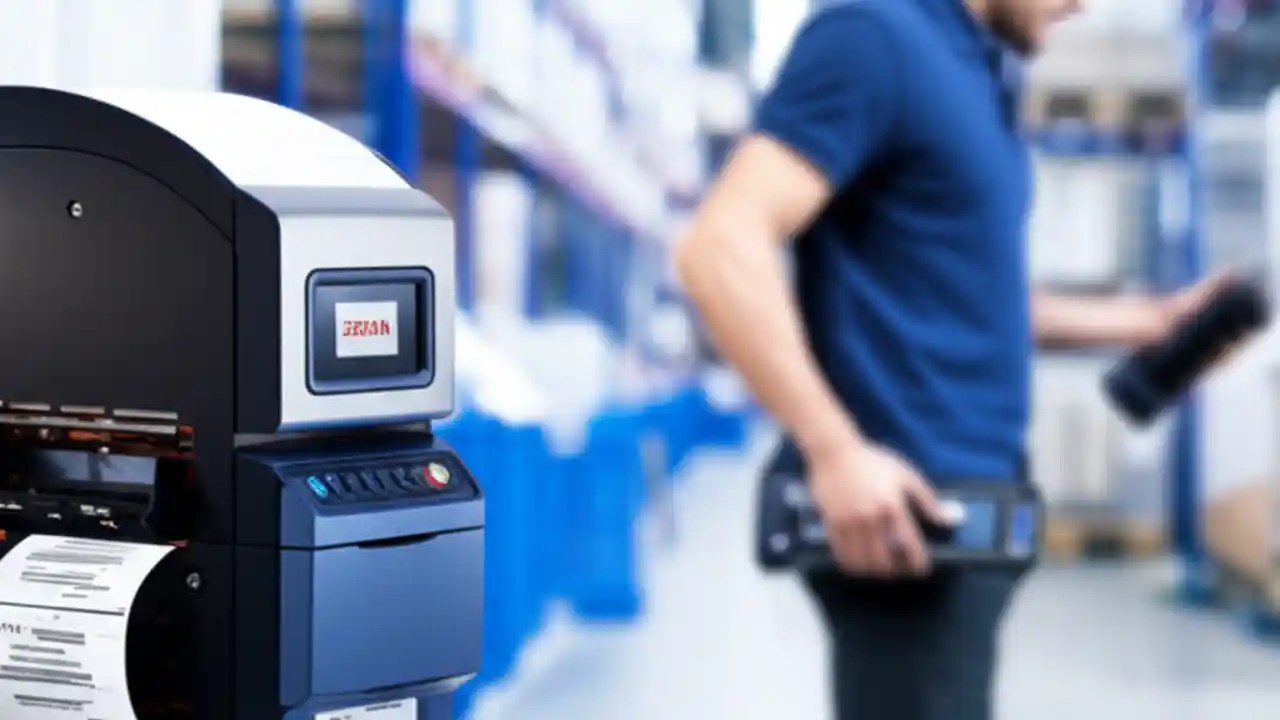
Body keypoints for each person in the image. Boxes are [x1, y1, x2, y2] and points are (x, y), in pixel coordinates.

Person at [674, 0, 1226, 718]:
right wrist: (835, 451)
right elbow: (720, 246)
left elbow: (966, 292)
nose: (1081, 5)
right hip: (901, 525)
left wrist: (1142, 322)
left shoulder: (972, 67)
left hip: (967, 524)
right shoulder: (873, 38)